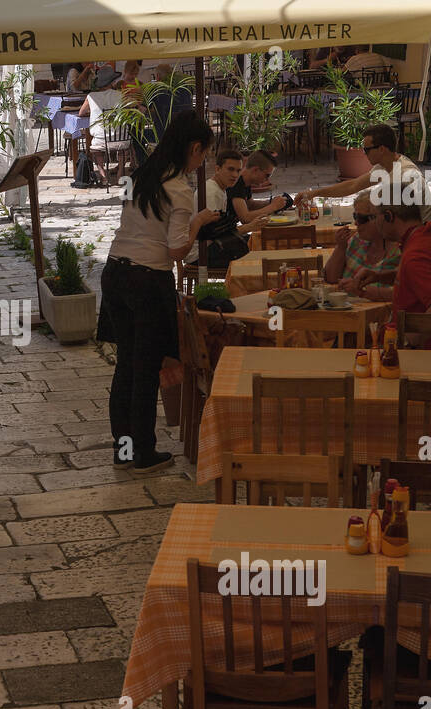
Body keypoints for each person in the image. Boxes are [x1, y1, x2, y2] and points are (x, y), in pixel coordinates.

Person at [99, 112, 221, 474]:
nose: (202, 162)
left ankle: (123, 451)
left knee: (126, 366)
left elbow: (128, 222)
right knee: (146, 368)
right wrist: (198, 221)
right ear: (194, 148)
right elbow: (176, 250)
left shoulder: (138, 175)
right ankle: (144, 453)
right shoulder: (180, 190)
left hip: (115, 271)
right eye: (203, 155)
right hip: (148, 281)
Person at [376, 195, 431, 349]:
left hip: (423, 358)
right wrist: (378, 277)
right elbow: (415, 279)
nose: (376, 224)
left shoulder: (415, 255)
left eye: (375, 217)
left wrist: (405, 341)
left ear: (388, 216)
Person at [295, 124, 428, 223]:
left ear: (381, 149)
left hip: (416, 239)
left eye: (367, 150)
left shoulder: (405, 176)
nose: (364, 154)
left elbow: (396, 222)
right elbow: (353, 185)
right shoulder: (387, 165)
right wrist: (314, 193)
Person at [195, 150, 283, 269]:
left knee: (265, 245)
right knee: (261, 258)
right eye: (230, 169)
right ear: (217, 169)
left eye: (238, 170)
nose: (235, 175)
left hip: (214, 245)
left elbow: (223, 229)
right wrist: (250, 226)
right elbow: (216, 234)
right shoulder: (211, 192)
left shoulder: (222, 189)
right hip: (201, 254)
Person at [324, 190, 401, 297]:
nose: (356, 223)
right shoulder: (356, 240)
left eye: (361, 218)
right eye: (355, 216)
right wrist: (340, 248)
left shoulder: (399, 251)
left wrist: (362, 291)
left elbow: (401, 294)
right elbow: (331, 278)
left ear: (381, 218)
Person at [72, 66, 123, 188]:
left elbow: (81, 113)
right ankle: (120, 174)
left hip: (101, 138)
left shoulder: (91, 96)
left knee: (97, 151)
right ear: (113, 82)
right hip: (120, 137)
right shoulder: (120, 95)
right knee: (123, 149)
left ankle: (103, 176)